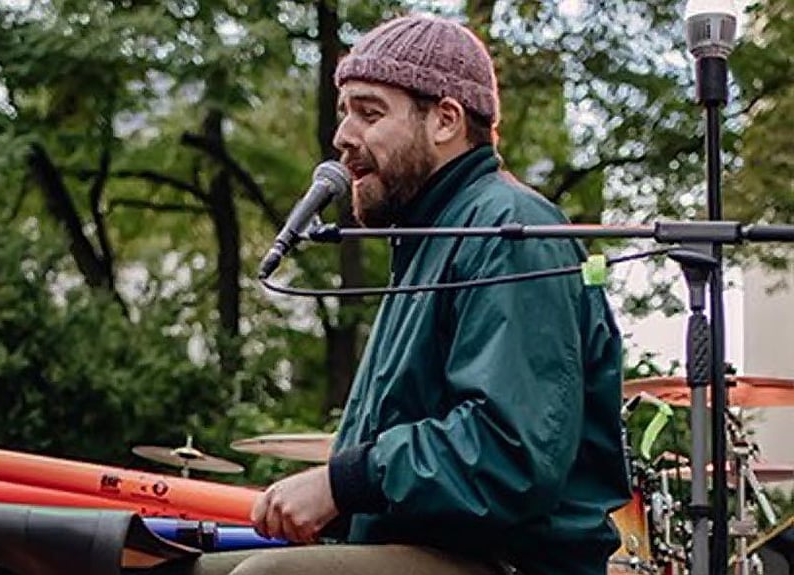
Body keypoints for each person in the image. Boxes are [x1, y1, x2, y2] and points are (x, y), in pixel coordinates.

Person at [186, 12, 632, 575]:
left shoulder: (509, 230)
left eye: (369, 112)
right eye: (345, 112)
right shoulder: (432, 240)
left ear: (445, 120)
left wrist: (343, 483)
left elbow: (507, 453)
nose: (343, 137)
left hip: (509, 562)